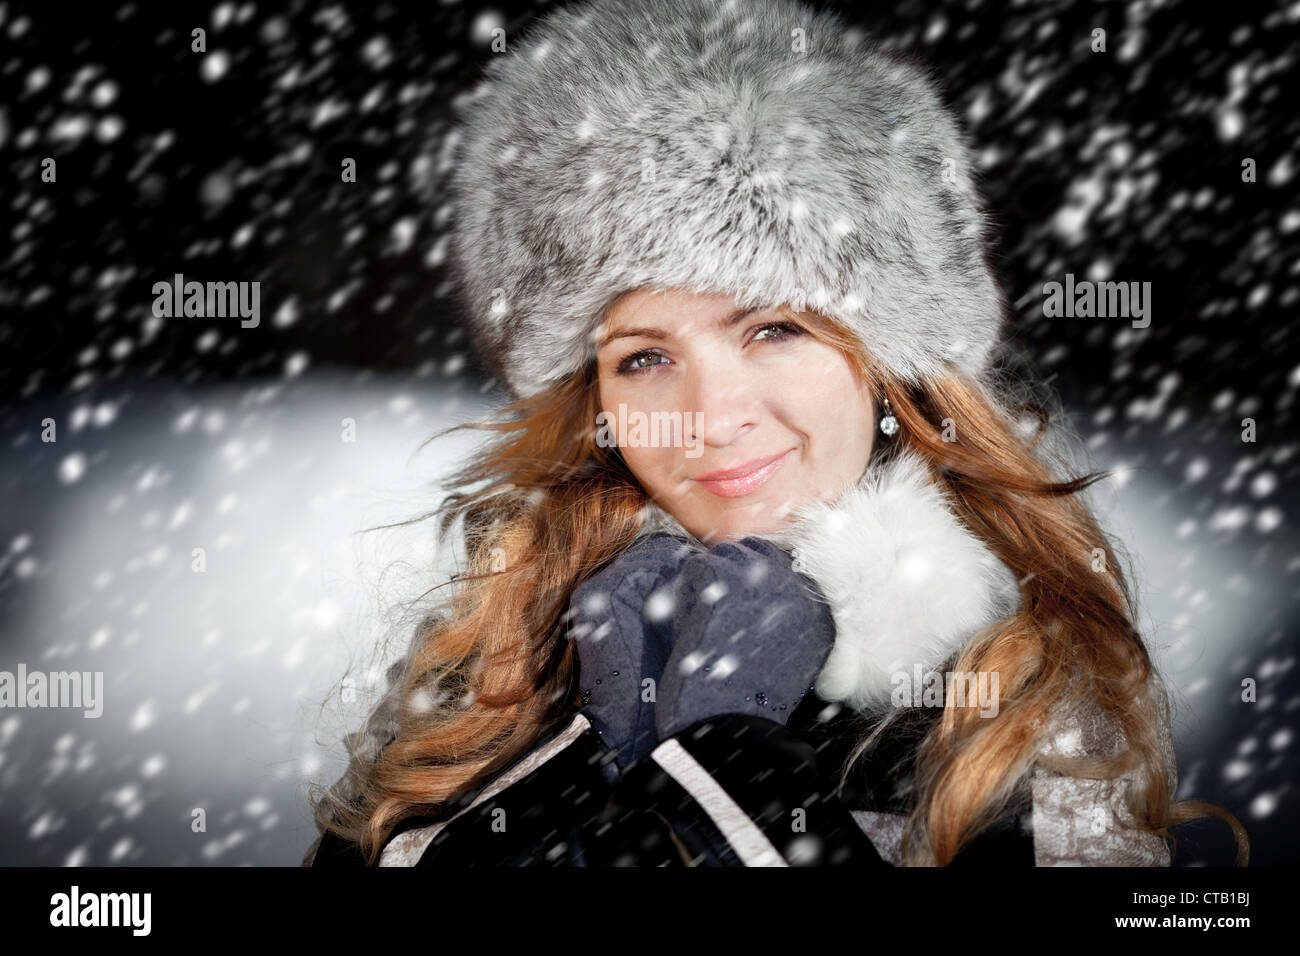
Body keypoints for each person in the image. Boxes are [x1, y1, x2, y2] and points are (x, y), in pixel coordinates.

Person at [303, 0, 1248, 867]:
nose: (711, 418)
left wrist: (724, 759)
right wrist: (583, 761)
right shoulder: (505, 648)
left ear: (883, 356)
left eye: (774, 329)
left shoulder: (1025, 697)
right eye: (642, 358)